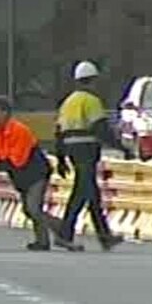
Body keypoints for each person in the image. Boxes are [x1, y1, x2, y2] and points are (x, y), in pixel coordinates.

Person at [0, 96, 80, 252]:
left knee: (33, 208)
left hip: (36, 173)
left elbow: (18, 160)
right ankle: (43, 241)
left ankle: (61, 228)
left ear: (6, 112)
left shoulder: (19, 130)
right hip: (21, 176)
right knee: (29, 210)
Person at [54, 60, 126, 251]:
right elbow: (100, 128)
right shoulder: (91, 101)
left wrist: (61, 159)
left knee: (92, 195)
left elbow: (59, 132)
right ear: (93, 80)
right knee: (80, 192)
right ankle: (64, 234)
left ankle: (104, 236)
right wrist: (121, 147)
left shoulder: (68, 102)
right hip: (86, 151)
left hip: (72, 151)